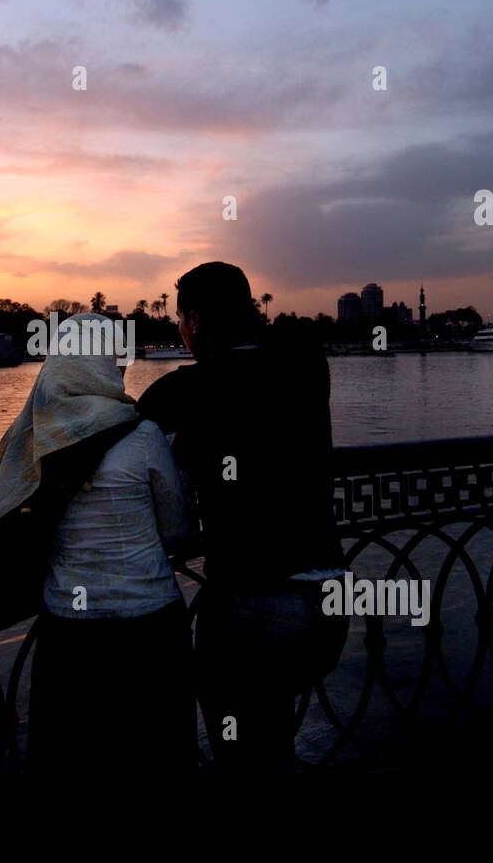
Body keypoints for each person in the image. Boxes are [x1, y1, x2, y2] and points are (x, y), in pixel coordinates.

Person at [137, 262, 349, 771]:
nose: (181, 332)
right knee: (272, 743)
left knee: (244, 758)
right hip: (329, 598)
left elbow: (126, 440)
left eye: (183, 320)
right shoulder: (307, 366)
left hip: (252, 605)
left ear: (195, 321)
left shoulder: (181, 392)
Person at [0, 313, 198, 772]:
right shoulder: (143, 435)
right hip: (150, 627)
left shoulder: (28, 439)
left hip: (69, 635)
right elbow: (178, 532)